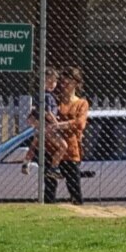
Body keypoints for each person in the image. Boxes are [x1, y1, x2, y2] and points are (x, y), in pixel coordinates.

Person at [38, 68, 88, 204]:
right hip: (52, 148)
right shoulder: (55, 101)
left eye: (68, 83)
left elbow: (80, 123)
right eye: (62, 82)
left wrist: (60, 125)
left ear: (76, 84)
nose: (64, 85)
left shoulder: (81, 103)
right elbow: (43, 113)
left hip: (70, 150)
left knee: (74, 187)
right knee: (49, 187)